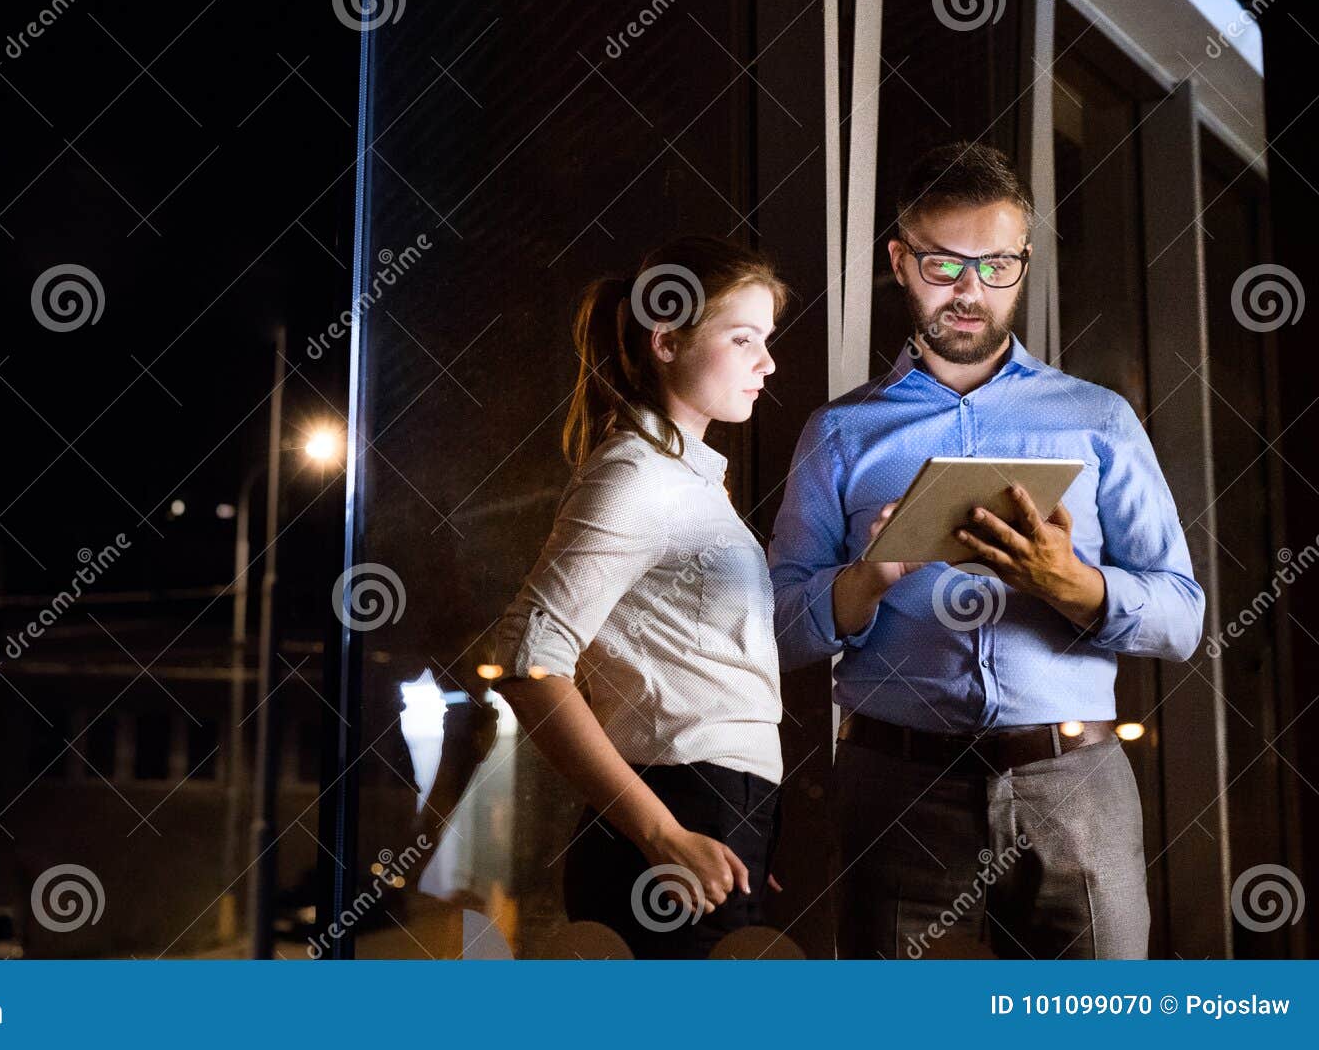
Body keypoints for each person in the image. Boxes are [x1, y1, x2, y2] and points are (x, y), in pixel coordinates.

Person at [769, 141, 1204, 959]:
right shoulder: (837, 433)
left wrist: (1075, 585)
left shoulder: (1099, 419)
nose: (970, 291)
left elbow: (1182, 618)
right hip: (892, 789)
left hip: (1077, 780)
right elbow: (778, 626)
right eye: (943, 263)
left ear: (1024, 264)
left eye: (996, 265)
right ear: (900, 260)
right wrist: (865, 581)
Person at [491, 235, 789, 958]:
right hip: (675, 814)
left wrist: (733, 824)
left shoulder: (687, 481)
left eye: (768, 340)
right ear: (667, 340)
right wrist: (665, 831)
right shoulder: (636, 477)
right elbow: (527, 659)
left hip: (715, 814)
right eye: (743, 338)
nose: (767, 363)